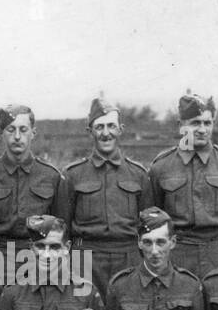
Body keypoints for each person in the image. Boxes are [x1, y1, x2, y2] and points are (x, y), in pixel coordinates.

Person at [56, 98, 150, 295]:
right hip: (85, 257)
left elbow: (148, 227)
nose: (106, 133)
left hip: (128, 256)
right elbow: (62, 228)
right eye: (99, 127)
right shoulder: (73, 175)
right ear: (90, 131)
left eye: (111, 126)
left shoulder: (139, 174)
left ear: (120, 129)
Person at [147, 93, 218, 278]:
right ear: (181, 126)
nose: (202, 129)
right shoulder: (161, 167)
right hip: (176, 254)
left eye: (207, 123)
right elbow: (152, 219)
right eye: (195, 123)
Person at [0, 104, 63, 258]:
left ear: (33, 133)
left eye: (23, 130)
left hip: (38, 255)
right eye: (11, 130)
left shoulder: (51, 176)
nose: (17, 136)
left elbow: (60, 229)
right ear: (0, 134)